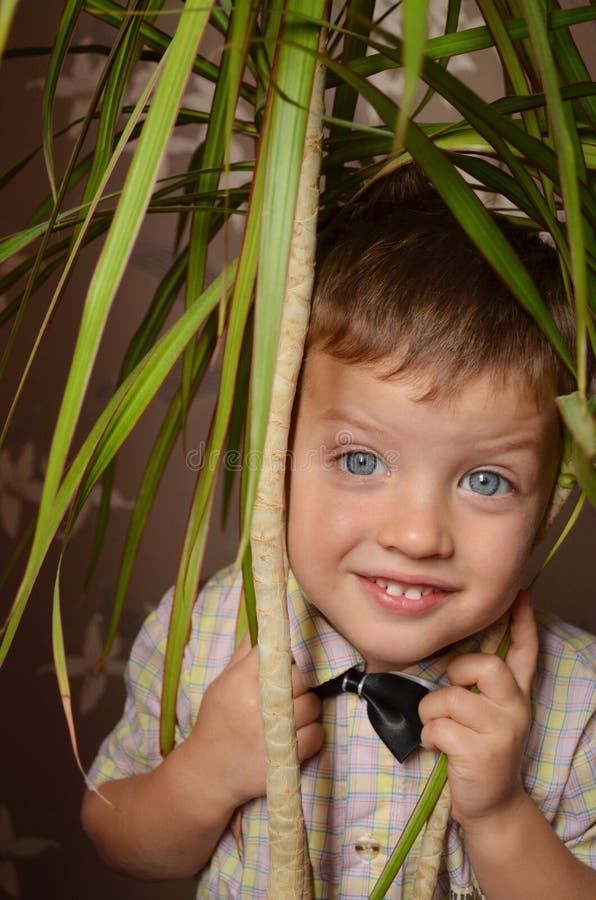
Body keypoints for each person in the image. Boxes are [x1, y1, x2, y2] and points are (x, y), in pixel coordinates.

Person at [81, 166, 595, 899]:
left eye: (486, 481)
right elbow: (116, 838)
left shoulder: (579, 701)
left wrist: (503, 816)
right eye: (361, 460)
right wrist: (204, 772)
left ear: (551, 498)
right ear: (278, 455)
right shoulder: (205, 633)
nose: (418, 536)